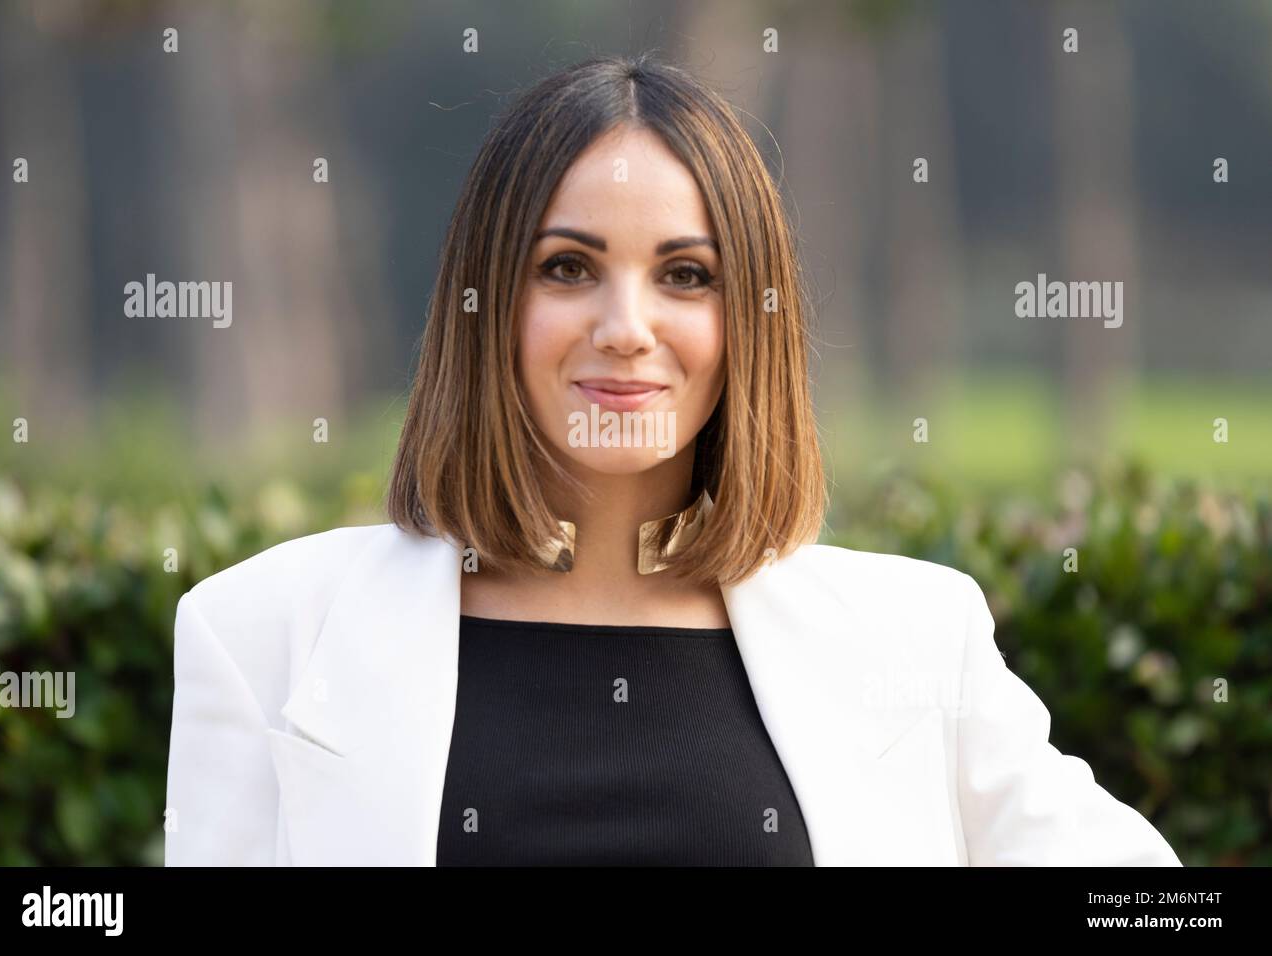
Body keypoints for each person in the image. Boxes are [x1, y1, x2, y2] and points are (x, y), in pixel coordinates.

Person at [164, 53, 1181, 866]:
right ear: (483, 305)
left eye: (686, 275)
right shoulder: (261, 635)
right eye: (567, 267)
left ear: (751, 321)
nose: (625, 327)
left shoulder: (916, 639)